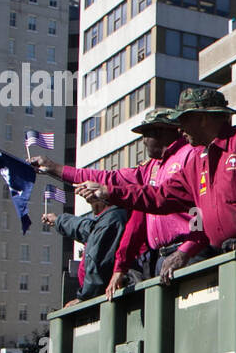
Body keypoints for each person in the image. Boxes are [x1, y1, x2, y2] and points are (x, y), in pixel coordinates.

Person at [78, 87, 236, 251]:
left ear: (203, 118)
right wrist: (110, 192)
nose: (179, 128)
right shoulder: (197, 161)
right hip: (223, 257)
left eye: (184, 119)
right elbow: (160, 197)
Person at [34, 108, 209, 290]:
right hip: (161, 258)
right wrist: (54, 168)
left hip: (189, 254)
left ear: (159, 131)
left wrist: (188, 249)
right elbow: (109, 179)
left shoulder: (191, 155)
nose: (143, 141)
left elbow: (202, 208)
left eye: (145, 134)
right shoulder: (150, 168)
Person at [43, 194, 128, 304]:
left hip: (105, 299)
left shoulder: (111, 219)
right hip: (102, 297)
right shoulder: (103, 221)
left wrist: (84, 298)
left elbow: (98, 264)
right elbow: (83, 228)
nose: (81, 191)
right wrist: (58, 220)